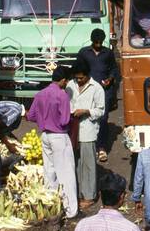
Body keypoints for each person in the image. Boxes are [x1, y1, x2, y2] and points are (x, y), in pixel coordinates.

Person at [29, 66, 77, 219]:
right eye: (66, 81)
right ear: (63, 80)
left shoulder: (40, 94)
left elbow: (30, 116)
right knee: (66, 174)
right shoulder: (62, 95)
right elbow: (64, 120)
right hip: (59, 136)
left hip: (45, 136)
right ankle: (70, 210)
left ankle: (52, 208)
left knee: (49, 173)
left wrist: (44, 119)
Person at [68, 59, 106, 211]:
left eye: (81, 78)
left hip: (88, 130)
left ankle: (89, 196)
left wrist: (86, 111)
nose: (79, 80)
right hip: (72, 129)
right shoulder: (70, 85)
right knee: (75, 163)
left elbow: (100, 110)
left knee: (88, 165)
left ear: (88, 76)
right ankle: (77, 193)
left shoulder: (96, 88)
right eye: (77, 78)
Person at [78, 28, 119, 159]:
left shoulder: (108, 53)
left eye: (101, 42)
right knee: (87, 117)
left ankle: (101, 147)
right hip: (87, 90)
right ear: (92, 41)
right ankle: (87, 147)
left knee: (103, 117)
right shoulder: (84, 53)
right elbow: (78, 69)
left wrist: (110, 79)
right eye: (96, 42)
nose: (99, 45)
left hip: (104, 91)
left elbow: (114, 69)